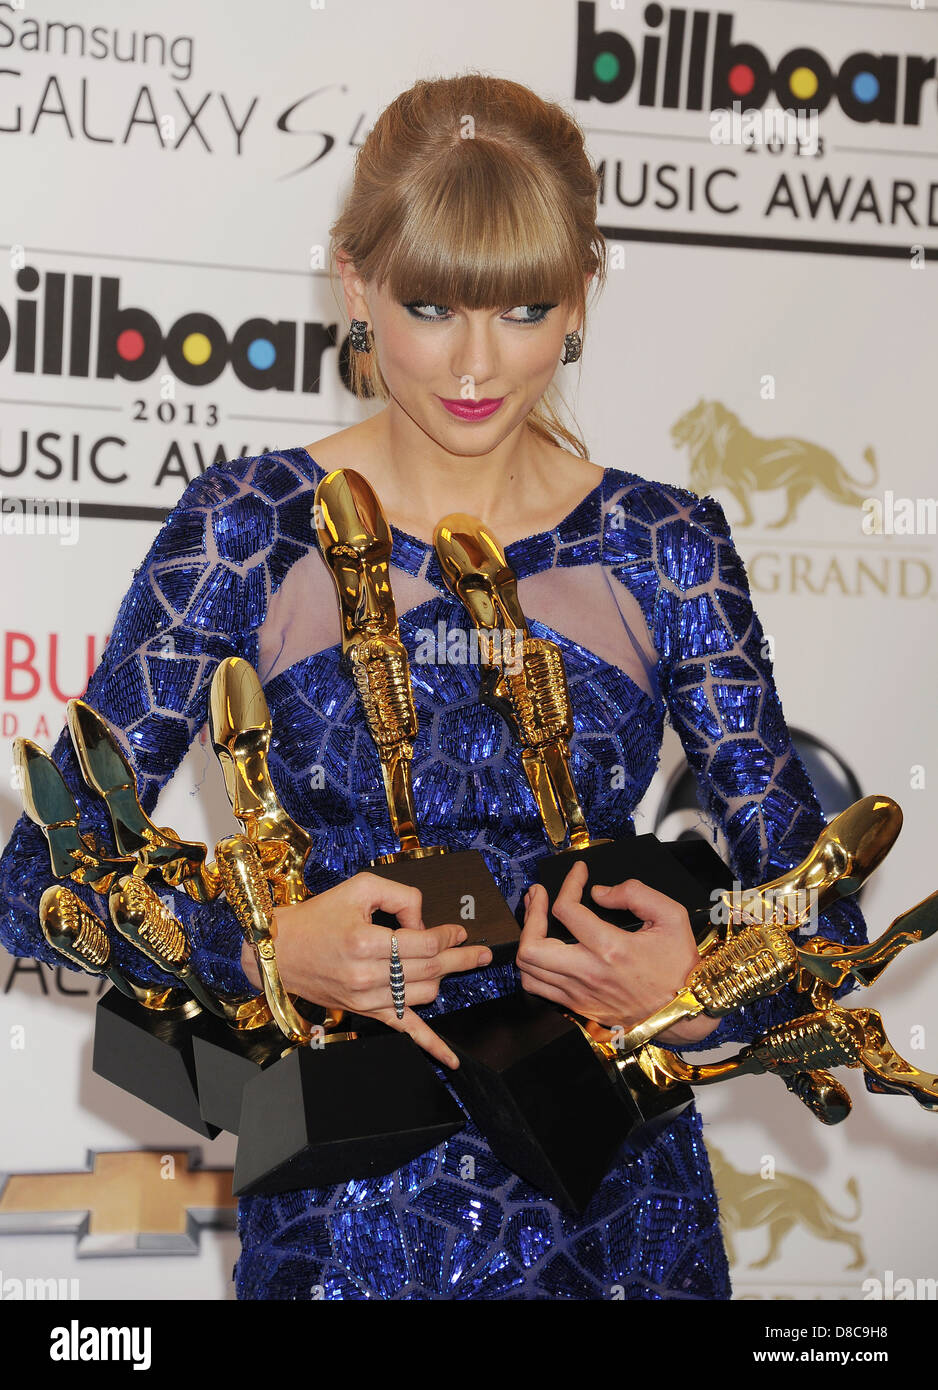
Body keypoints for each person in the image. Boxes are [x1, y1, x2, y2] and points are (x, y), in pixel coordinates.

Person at [0, 72, 866, 1301]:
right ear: (353, 287)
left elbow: (817, 915)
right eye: (429, 305)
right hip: (343, 1217)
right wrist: (268, 946)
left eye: (523, 307)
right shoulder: (251, 528)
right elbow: (41, 882)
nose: (475, 362)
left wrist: (700, 976)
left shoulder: (660, 544)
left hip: (616, 1214)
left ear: (580, 298)